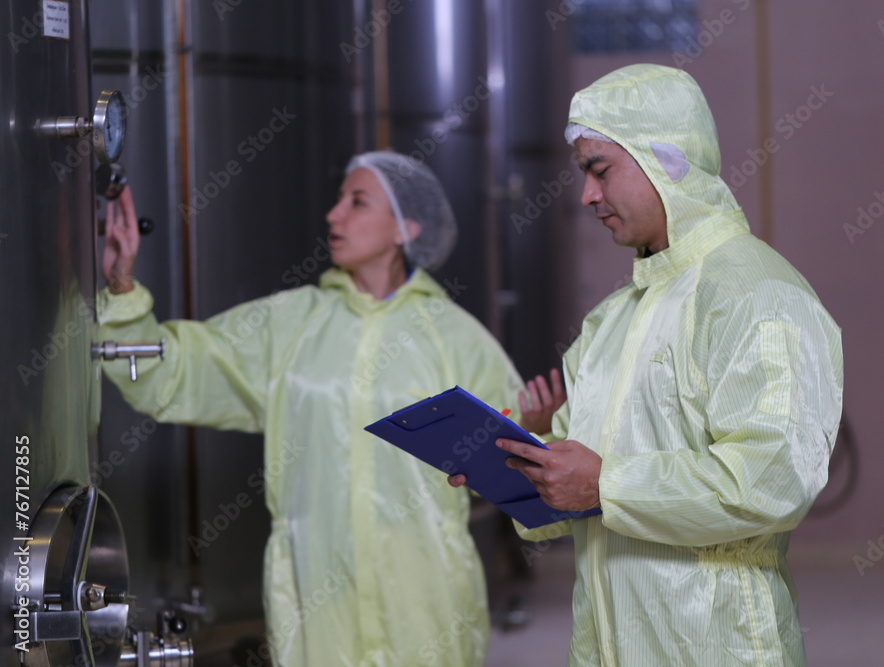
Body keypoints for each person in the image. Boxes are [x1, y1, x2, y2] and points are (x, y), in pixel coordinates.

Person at [98, 150, 563, 667]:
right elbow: (170, 372)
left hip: (424, 599)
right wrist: (122, 289)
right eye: (339, 200)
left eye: (356, 202)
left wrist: (533, 437)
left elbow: (527, 486)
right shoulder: (289, 324)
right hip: (315, 597)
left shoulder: (454, 337)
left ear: (406, 226)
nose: (333, 215)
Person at [451, 64, 844, 665]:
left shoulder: (758, 294)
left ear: (667, 159)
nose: (585, 196)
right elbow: (581, 483)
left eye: (599, 169)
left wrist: (604, 483)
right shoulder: (612, 320)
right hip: (607, 641)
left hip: (719, 644)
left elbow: (769, 481)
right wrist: (514, 462)